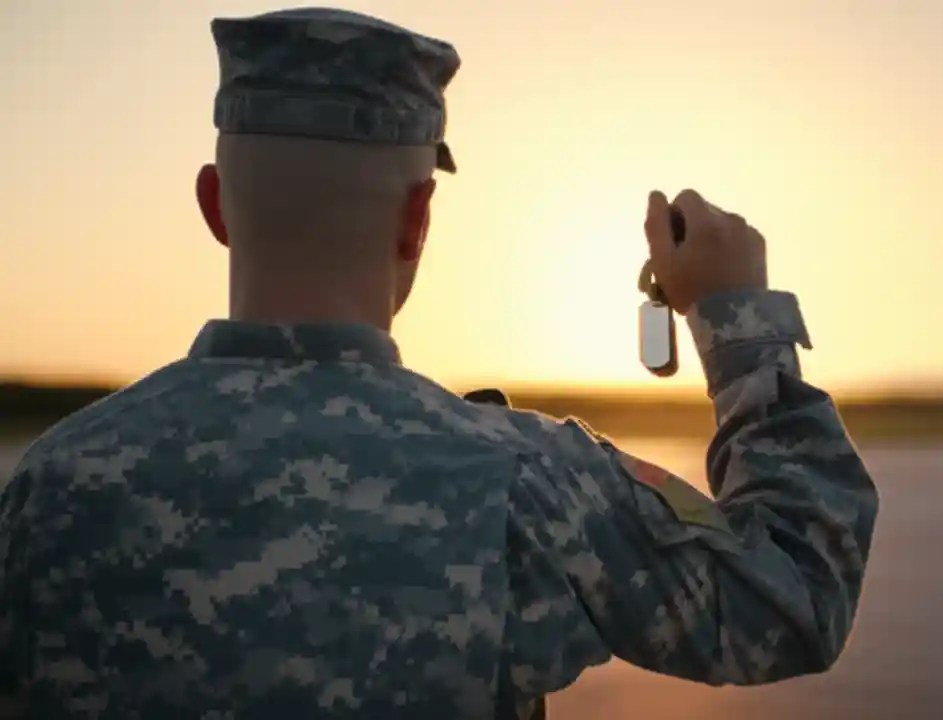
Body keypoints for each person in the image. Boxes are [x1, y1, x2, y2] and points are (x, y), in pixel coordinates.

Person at [0, 7, 878, 719]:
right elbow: (798, 599)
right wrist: (739, 321)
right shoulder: (527, 483)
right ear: (418, 218)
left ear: (215, 203)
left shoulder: (50, 487)